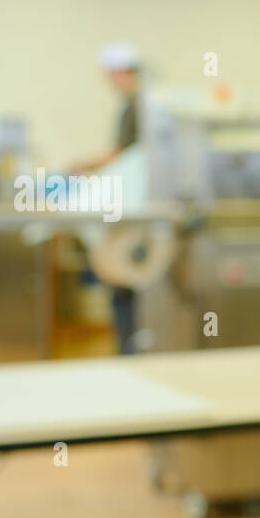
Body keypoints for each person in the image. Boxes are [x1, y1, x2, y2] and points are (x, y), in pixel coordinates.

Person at [74, 41, 143, 354]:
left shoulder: (139, 105)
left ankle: (130, 350)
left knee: (123, 282)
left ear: (120, 73)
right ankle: (129, 349)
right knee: (125, 284)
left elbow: (120, 154)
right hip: (132, 211)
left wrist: (85, 166)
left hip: (132, 214)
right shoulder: (139, 104)